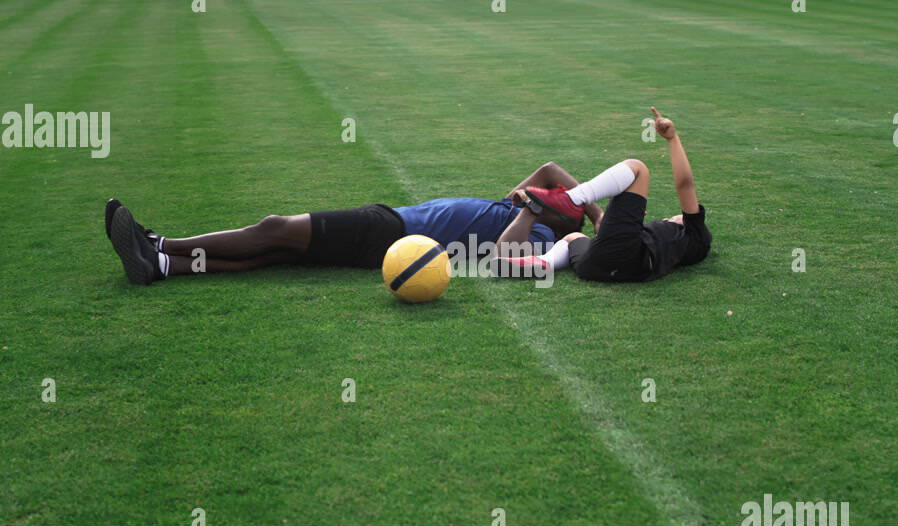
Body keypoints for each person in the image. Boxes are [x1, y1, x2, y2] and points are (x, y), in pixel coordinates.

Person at [105, 162, 603, 285]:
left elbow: (501, 258)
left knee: (276, 227)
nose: (541, 191)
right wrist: (594, 210)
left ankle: (160, 241)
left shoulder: (534, 230)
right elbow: (552, 169)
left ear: (556, 217)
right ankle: (164, 266)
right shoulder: (524, 207)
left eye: (552, 200)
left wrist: (536, 210)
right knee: (280, 255)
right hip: (388, 249)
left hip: (389, 231)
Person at [496, 107, 712, 282]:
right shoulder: (679, 245)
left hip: (626, 255)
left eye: (677, 217)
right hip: (601, 268)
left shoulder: (695, 233)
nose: (672, 216)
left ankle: (570, 199)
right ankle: (543, 263)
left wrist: (672, 139)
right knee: (574, 238)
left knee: (637, 169)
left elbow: (685, 185)